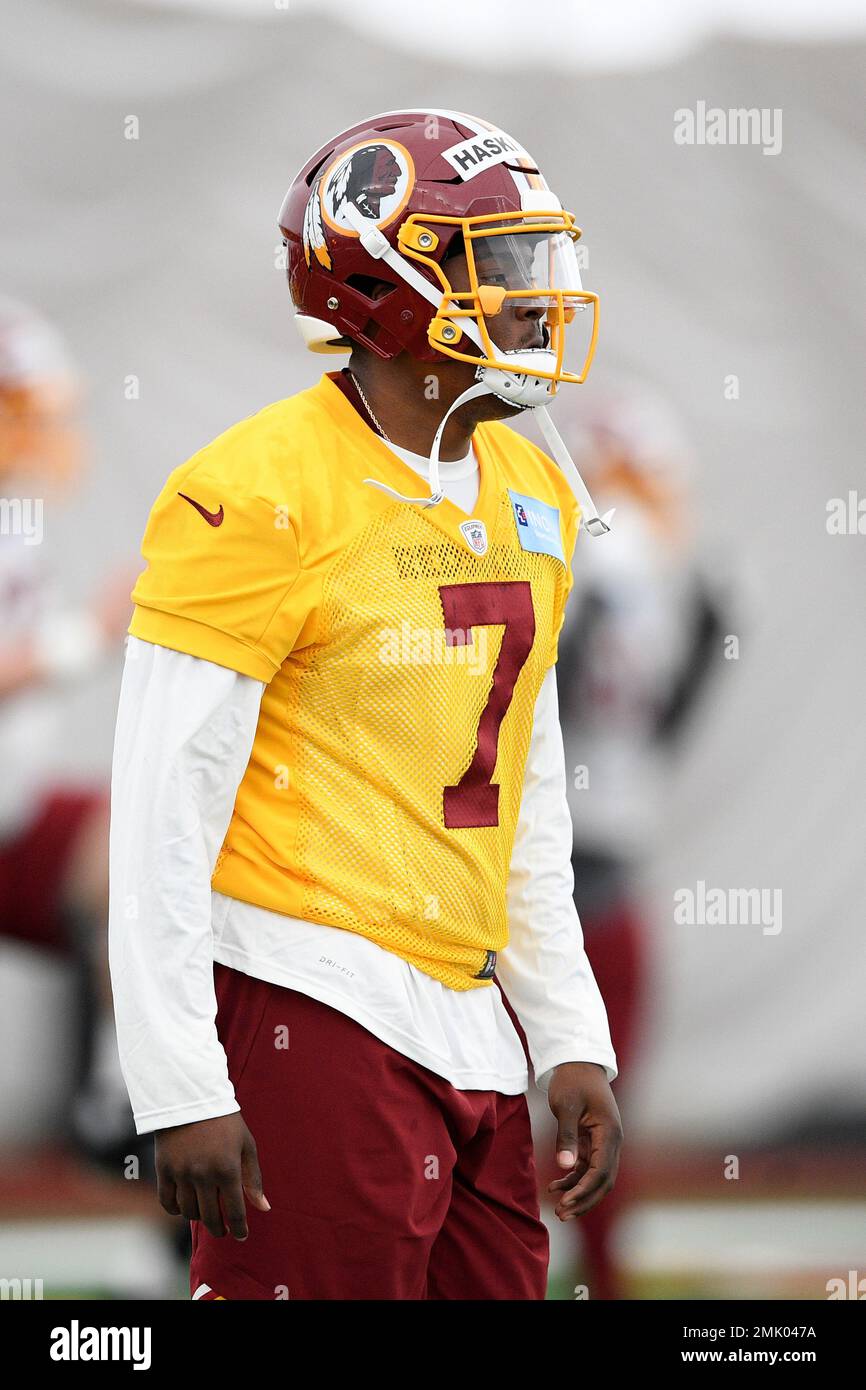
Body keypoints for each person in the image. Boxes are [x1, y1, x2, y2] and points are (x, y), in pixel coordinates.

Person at [109, 109, 622, 1301]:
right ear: (381, 280)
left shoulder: (529, 480)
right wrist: (181, 1080)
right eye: (495, 261)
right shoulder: (257, 490)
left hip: (470, 1010)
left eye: (532, 257)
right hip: (310, 993)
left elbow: (522, 784)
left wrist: (567, 1025)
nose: (534, 295)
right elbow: (161, 805)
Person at [551, 381, 726, 1297]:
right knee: (588, 1108)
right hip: (581, 870)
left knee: (525, 1108)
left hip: (557, 863)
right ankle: (598, 1280)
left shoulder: (588, 556)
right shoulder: (627, 566)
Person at [0, 294, 135, 1157]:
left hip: (12, 820)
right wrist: (90, 635)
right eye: (24, 412)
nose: (43, 434)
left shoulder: (18, 521)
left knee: (152, 835)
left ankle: (126, 1096)